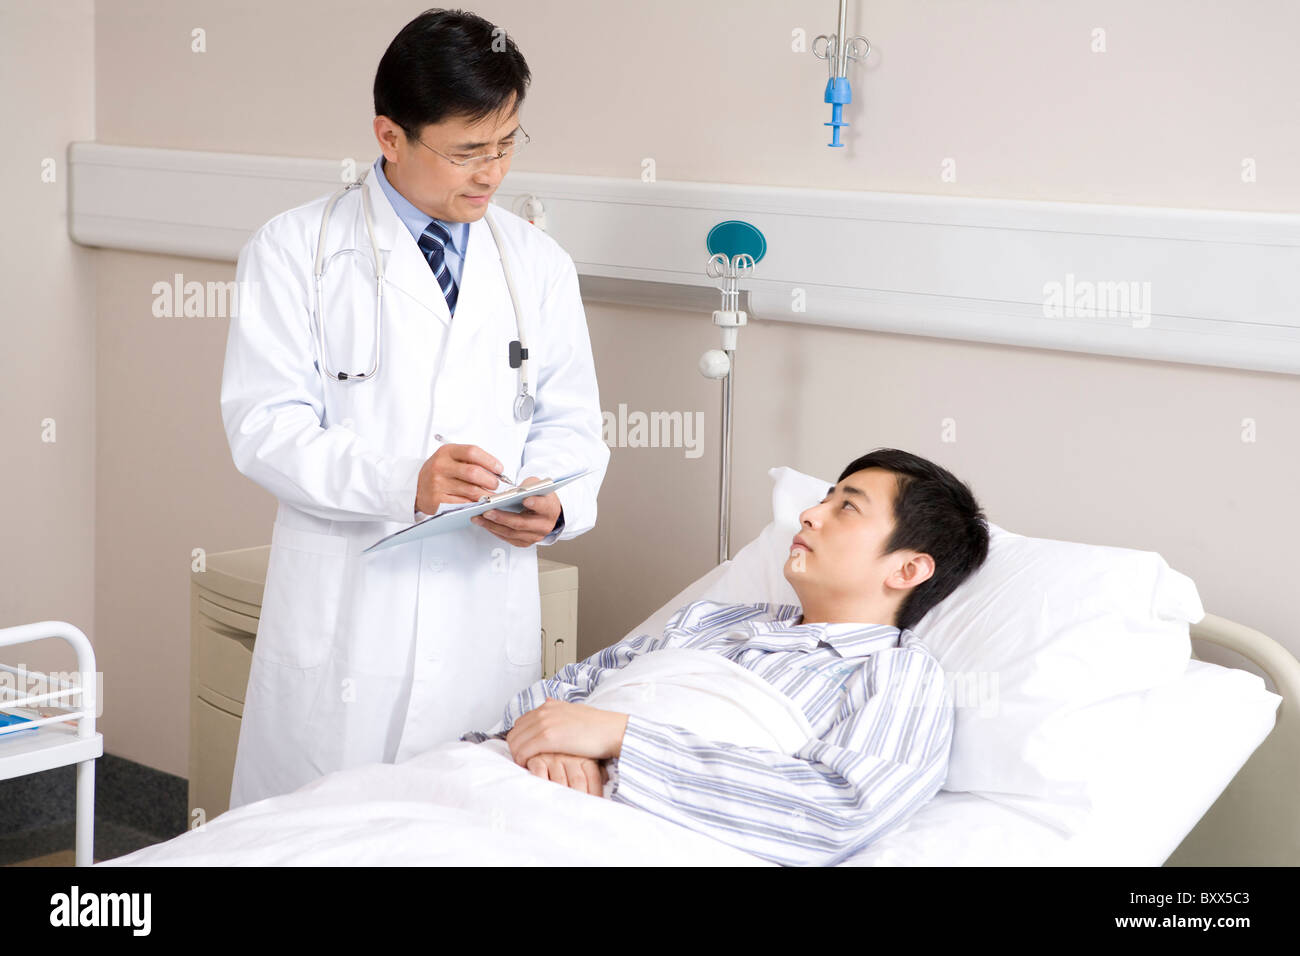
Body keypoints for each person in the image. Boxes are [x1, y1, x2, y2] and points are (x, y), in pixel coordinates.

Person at [221, 9, 609, 809]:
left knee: (456, 831)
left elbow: (572, 423)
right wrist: (408, 481)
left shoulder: (536, 263)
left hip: (482, 614)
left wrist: (557, 502)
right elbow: (265, 429)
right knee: (316, 838)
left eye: (506, 144)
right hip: (347, 619)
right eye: (467, 151)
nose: (491, 172)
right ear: (389, 136)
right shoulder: (296, 250)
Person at [463, 449, 989, 865]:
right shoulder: (713, 620)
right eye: (823, 499)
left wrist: (620, 740)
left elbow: (837, 812)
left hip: (629, 836)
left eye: (846, 507)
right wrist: (551, 744)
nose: (808, 515)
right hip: (507, 782)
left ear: (907, 570)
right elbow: (572, 690)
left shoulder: (898, 673)